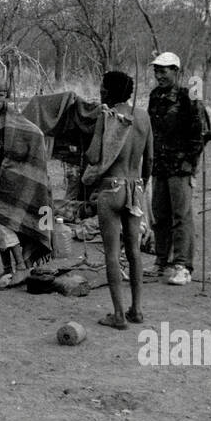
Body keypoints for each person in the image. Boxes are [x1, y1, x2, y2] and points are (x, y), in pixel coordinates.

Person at [83, 70, 153, 329]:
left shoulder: (108, 116)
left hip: (111, 188)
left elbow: (92, 156)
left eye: (103, 88)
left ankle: (118, 315)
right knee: (134, 251)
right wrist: (141, 186)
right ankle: (137, 310)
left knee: (112, 254)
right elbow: (150, 159)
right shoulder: (143, 117)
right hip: (135, 187)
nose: (100, 91)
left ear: (110, 92)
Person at [0, 78, 53, 287]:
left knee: (5, 221)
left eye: (0, 95)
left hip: (15, 180)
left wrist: (17, 164)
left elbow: (36, 135)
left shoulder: (15, 119)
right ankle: (7, 268)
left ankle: (22, 267)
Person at [146, 52, 206, 286]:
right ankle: (161, 260)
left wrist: (190, 164)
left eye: (164, 70)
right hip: (159, 165)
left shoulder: (188, 96)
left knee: (181, 216)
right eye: (156, 71)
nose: (159, 75)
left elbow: (198, 134)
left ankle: (182, 265)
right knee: (159, 215)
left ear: (176, 71)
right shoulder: (154, 96)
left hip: (180, 166)